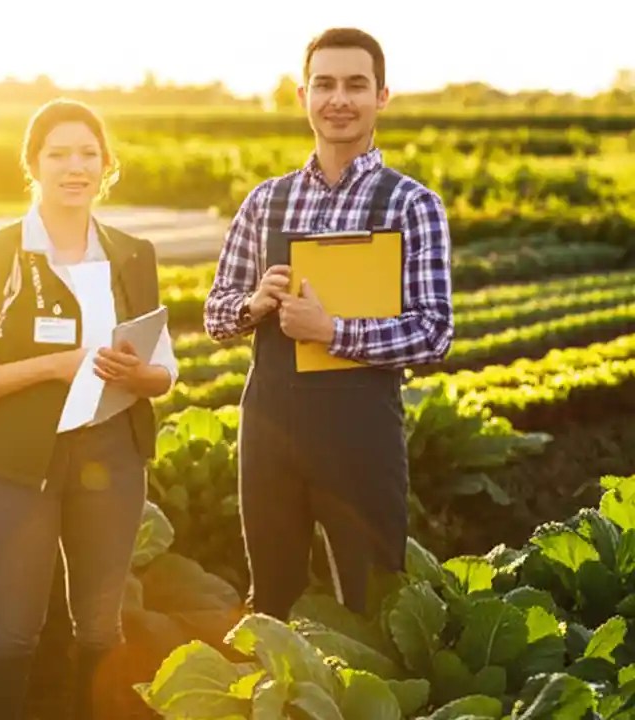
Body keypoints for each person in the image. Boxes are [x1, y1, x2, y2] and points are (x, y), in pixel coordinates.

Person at [0, 98, 179, 720]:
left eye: (89, 154)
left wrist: (137, 373)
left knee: (101, 630)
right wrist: (52, 366)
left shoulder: (133, 254)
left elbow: (165, 371)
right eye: (59, 154)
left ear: (106, 165)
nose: (75, 167)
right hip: (17, 467)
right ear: (33, 164)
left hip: (113, 461)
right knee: (13, 634)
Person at [203, 27, 455, 621]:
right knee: (271, 597)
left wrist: (333, 330)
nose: (338, 99)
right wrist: (252, 304)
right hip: (270, 425)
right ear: (302, 96)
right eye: (325, 84)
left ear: (382, 96)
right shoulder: (266, 201)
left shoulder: (411, 204)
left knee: (372, 601)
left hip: (359, 431)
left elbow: (434, 331)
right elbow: (215, 313)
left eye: (355, 85)